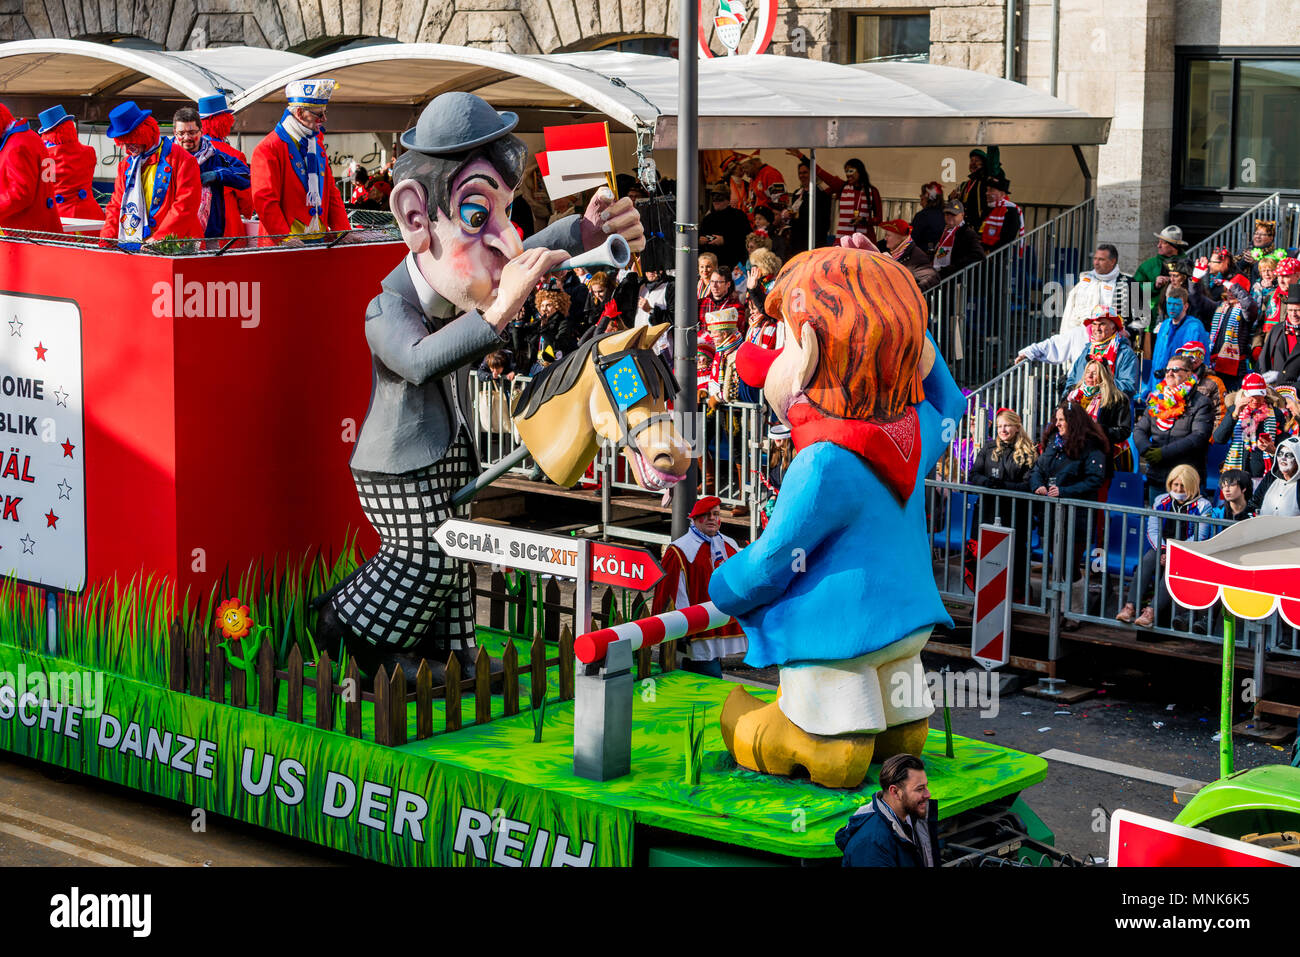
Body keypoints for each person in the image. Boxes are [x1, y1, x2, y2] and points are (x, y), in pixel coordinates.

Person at [310, 90, 645, 682]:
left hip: (450, 457)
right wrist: (495, 317)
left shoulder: (462, 281)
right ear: (415, 217)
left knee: (458, 555)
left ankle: (454, 654)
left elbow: (527, 255)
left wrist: (587, 231)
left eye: (506, 213)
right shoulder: (385, 309)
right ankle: (343, 633)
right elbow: (418, 362)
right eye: (474, 216)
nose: (505, 240)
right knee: (425, 559)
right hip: (398, 468)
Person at [651, 496, 746, 677]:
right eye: (706, 515)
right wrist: (684, 626)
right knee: (706, 672)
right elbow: (673, 592)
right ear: (694, 519)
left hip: (721, 620)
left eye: (715, 514)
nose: (712, 518)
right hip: (697, 629)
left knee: (709, 667)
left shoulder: (729, 545)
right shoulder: (680, 550)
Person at [250, 78, 351, 245]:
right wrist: (285, 237)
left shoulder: (316, 143)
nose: (324, 119)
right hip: (285, 244)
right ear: (298, 113)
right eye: (318, 114)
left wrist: (343, 231)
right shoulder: (269, 147)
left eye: (325, 112)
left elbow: (331, 192)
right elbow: (265, 200)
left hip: (319, 240)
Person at [1116, 464, 1214, 629]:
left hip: (1187, 552)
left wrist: (1174, 553)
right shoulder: (1161, 500)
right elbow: (1153, 530)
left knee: (1172, 567)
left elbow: (1199, 536)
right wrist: (1163, 550)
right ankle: (1130, 606)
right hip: (1163, 547)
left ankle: (1150, 612)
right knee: (1148, 559)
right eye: (1175, 484)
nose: (1178, 488)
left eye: (1182, 485)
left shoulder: (1204, 506)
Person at [98, 100, 200, 243]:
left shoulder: (182, 159)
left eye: (131, 142)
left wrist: (159, 240)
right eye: (123, 144)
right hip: (137, 245)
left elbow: (186, 206)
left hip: (175, 244)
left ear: (144, 133)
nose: (127, 149)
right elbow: (116, 205)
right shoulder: (126, 165)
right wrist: (106, 239)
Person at [1030, 402, 1110, 582]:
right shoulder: (1053, 442)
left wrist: (1063, 491)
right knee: (1056, 558)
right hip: (1050, 513)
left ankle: (1071, 603)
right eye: (1056, 419)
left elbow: (1094, 479)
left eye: (1062, 420)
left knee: (1069, 564)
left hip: (1076, 516)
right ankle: (1058, 603)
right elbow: (1038, 469)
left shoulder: (1092, 446)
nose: (1057, 424)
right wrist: (1037, 485)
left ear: (1073, 421)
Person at [967, 408, 1038, 599]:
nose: (1003, 429)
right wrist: (988, 483)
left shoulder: (1028, 451)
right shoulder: (988, 448)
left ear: (1017, 427)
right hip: (987, 511)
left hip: (1014, 514)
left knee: (1012, 557)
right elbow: (973, 474)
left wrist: (1004, 486)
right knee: (983, 557)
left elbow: (1028, 484)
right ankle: (982, 599)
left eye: (1007, 425)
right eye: (999, 426)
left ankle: (1013, 598)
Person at [1134, 353, 1215, 497]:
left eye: (1176, 369)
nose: (1170, 373)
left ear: (1189, 374)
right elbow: (1140, 428)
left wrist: (1163, 453)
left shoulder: (1201, 403)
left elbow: (1198, 437)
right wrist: (1145, 449)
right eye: (1167, 370)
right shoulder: (1156, 399)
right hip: (1157, 477)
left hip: (1186, 481)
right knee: (1156, 519)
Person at [836, 753, 935, 868]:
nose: (928, 794)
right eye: (920, 789)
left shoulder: (910, 817)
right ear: (895, 792)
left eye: (926, 786)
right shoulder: (871, 845)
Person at [172, 106, 250, 241]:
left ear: (201, 131)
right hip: (173, 233)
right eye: (181, 133)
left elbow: (246, 175)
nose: (187, 137)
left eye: (192, 132)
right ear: (175, 133)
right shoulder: (166, 156)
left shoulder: (216, 156)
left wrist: (217, 175)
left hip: (210, 234)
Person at [0, 101, 63, 234]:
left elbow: (20, 195)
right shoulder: (32, 137)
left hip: (26, 234)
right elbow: (49, 178)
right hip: (45, 225)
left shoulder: (16, 147)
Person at [36, 104, 102, 220]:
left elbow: (45, 188)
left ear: (47, 134)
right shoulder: (89, 151)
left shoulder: (46, 158)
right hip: (90, 214)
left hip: (60, 216)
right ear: (70, 127)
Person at [1214, 373, 1282, 484]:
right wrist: (1235, 414)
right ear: (1244, 394)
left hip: (1265, 474)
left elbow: (1283, 441)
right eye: (1252, 396)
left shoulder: (1275, 413)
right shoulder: (1233, 410)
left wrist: (1272, 449)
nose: (1256, 400)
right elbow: (1219, 438)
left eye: (1259, 395)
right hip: (1238, 473)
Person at [1143, 284, 1209, 399]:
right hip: (1158, 385)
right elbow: (1156, 360)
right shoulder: (1164, 325)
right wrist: (1152, 388)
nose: (1172, 308)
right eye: (1169, 304)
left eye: (1176, 304)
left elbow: (1195, 362)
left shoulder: (1194, 327)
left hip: (1181, 386)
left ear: (1185, 306)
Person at [198, 93, 253, 226]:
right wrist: (247, 212)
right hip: (227, 221)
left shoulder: (188, 151)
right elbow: (245, 195)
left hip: (196, 221)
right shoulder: (234, 154)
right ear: (225, 121)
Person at [1057, 244, 1134, 336]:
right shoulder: (1083, 282)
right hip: (1081, 337)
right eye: (1095, 258)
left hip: (1113, 340)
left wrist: (1127, 332)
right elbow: (1068, 314)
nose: (1096, 263)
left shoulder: (1129, 282)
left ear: (1112, 261)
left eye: (1101, 259)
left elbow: (1143, 317)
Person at [1065, 306, 1139, 398]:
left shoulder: (1125, 353)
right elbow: (1072, 378)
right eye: (1094, 324)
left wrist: (1101, 384)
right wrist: (1068, 396)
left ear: (1113, 328)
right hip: (1081, 406)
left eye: (1102, 324)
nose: (1097, 328)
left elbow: (1129, 386)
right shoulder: (1087, 350)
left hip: (1110, 408)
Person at [1067, 359, 1133, 462]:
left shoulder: (1118, 399)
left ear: (1104, 376)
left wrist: (1098, 430)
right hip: (1073, 449)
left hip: (1101, 452)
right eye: (1088, 372)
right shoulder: (1073, 395)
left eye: (1095, 373)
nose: (1089, 376)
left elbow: (1124, 431)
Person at [815, 157, 882, 246]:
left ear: (860, 171)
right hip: (843, 241)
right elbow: (821, 173)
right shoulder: (841, 187)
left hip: (865, 241)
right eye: (846, 172)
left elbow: (879, 219)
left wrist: (864, 220)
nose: (847, 174)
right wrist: (800, 155)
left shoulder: (872, 191)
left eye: (851, 171)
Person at [1206, 274, 1256, 391]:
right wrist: (1195, 281)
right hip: (1216, 365)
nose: (1230, 293)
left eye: (1233, 290)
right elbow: (1199, 301)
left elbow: (1248, 305)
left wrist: (1232, 285)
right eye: (1228, 290)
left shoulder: (1246, 312)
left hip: (1236, 370)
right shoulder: (1221, 306)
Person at [783, 154, 831, 253]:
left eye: (805, 173)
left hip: (815, 240)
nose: (802, 176)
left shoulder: (821, 193)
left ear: (812, 173)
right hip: (797, 240)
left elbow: (823, 219)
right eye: (800, 173)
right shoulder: (797, 193)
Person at [1177, 340, 1228, 432]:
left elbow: (1221, 414)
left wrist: (1208, 439)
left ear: (1200, 359)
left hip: (1200, 435)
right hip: (1176, 434)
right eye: (1183, 356)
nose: (1186, 360)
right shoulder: (1176, 378)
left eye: (1191, 356)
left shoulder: (1214, 382)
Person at [878, 219, 939, 291]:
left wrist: (911, 293)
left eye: (888, 235)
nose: (885, 239)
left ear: (900, 237)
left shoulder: (916, 256)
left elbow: (933, 278)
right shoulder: (895, 252)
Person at [1132, 226, 1189, 304]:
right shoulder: (1148, 265)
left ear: (1173, 246)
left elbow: (1194, 293)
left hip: (1179, 314)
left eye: (1163, 243)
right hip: (1152, 314)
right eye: (1159, 242)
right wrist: (1155, 286)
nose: (1158, 246)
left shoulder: (1187, 266)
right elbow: (1134, 290)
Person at [699, 187, 751, 270]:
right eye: (714, 198)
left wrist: (725, 240)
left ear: (727, 200)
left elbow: (746, 238)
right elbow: (699, 236)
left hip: (733, 264)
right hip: (710, 265)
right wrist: (700, 240)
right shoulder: (707, 219)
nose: (716, 201)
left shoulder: (739, 216)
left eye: (720, 198)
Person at [932, 197, 986, 278]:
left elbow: (978, 254)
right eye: (947, 214)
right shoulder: (944, 230)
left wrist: (952, 268)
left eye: (953, 214)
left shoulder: (967, 232)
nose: (949, 217)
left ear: (962, 215)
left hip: (956, 279)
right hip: (940, 275)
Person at [1260, 285, 1300, 386]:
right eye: (1290, 310)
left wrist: (1281, 377)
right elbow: (1264, 360)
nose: (1293, 314)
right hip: (1277, 390)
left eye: (1298, 310)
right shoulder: (1277, 329)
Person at [1252, 435, 1300, 516]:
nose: (1283, 458)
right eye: (1280, 454)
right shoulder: (1270, 478)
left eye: (1288, 455)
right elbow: (1253, 504)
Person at [957, 146, 1000, 229]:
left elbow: (993, 165)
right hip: (965, 227)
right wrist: (952, 198)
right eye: (971, 160)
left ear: (984, 164)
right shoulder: (965, 184)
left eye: (977, 161)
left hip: (980, 227)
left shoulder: (985, 180)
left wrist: (991, 142)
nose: (973, 163)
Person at [977, 174, 1022, 252]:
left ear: (1002, 194)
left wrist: (989, 249)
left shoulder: (1011, 211)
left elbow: (1008, 237)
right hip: (983, 252)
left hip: (999, 255)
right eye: (987, 190)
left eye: (991, 190)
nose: (987, 193)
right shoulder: (987, 208)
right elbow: (981, 229)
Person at [1260, 257, 1298, 341]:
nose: (1281, 281)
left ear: (1297, 276)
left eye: (1285, 276)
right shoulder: (1270, 297)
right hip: (1271, 347)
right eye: (1279, 276)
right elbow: (1260, 325)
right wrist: (1257, 346)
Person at [1241, 218, 1286, 283]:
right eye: (1256, 233)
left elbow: (1274, 278)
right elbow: (1234, 271)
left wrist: (1257, 263)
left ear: (1271, 238)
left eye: (1262, 234)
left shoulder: (1275, 255)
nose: (1258, 236)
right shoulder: (1244, 252)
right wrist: (1244, 261)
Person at [911, 181, 946, 256]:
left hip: (923, 256)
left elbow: (912, 239)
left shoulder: (922, 216)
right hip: (943, 255)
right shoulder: (947, 215)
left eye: (922, 199)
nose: (920, 203)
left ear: (928, 198)